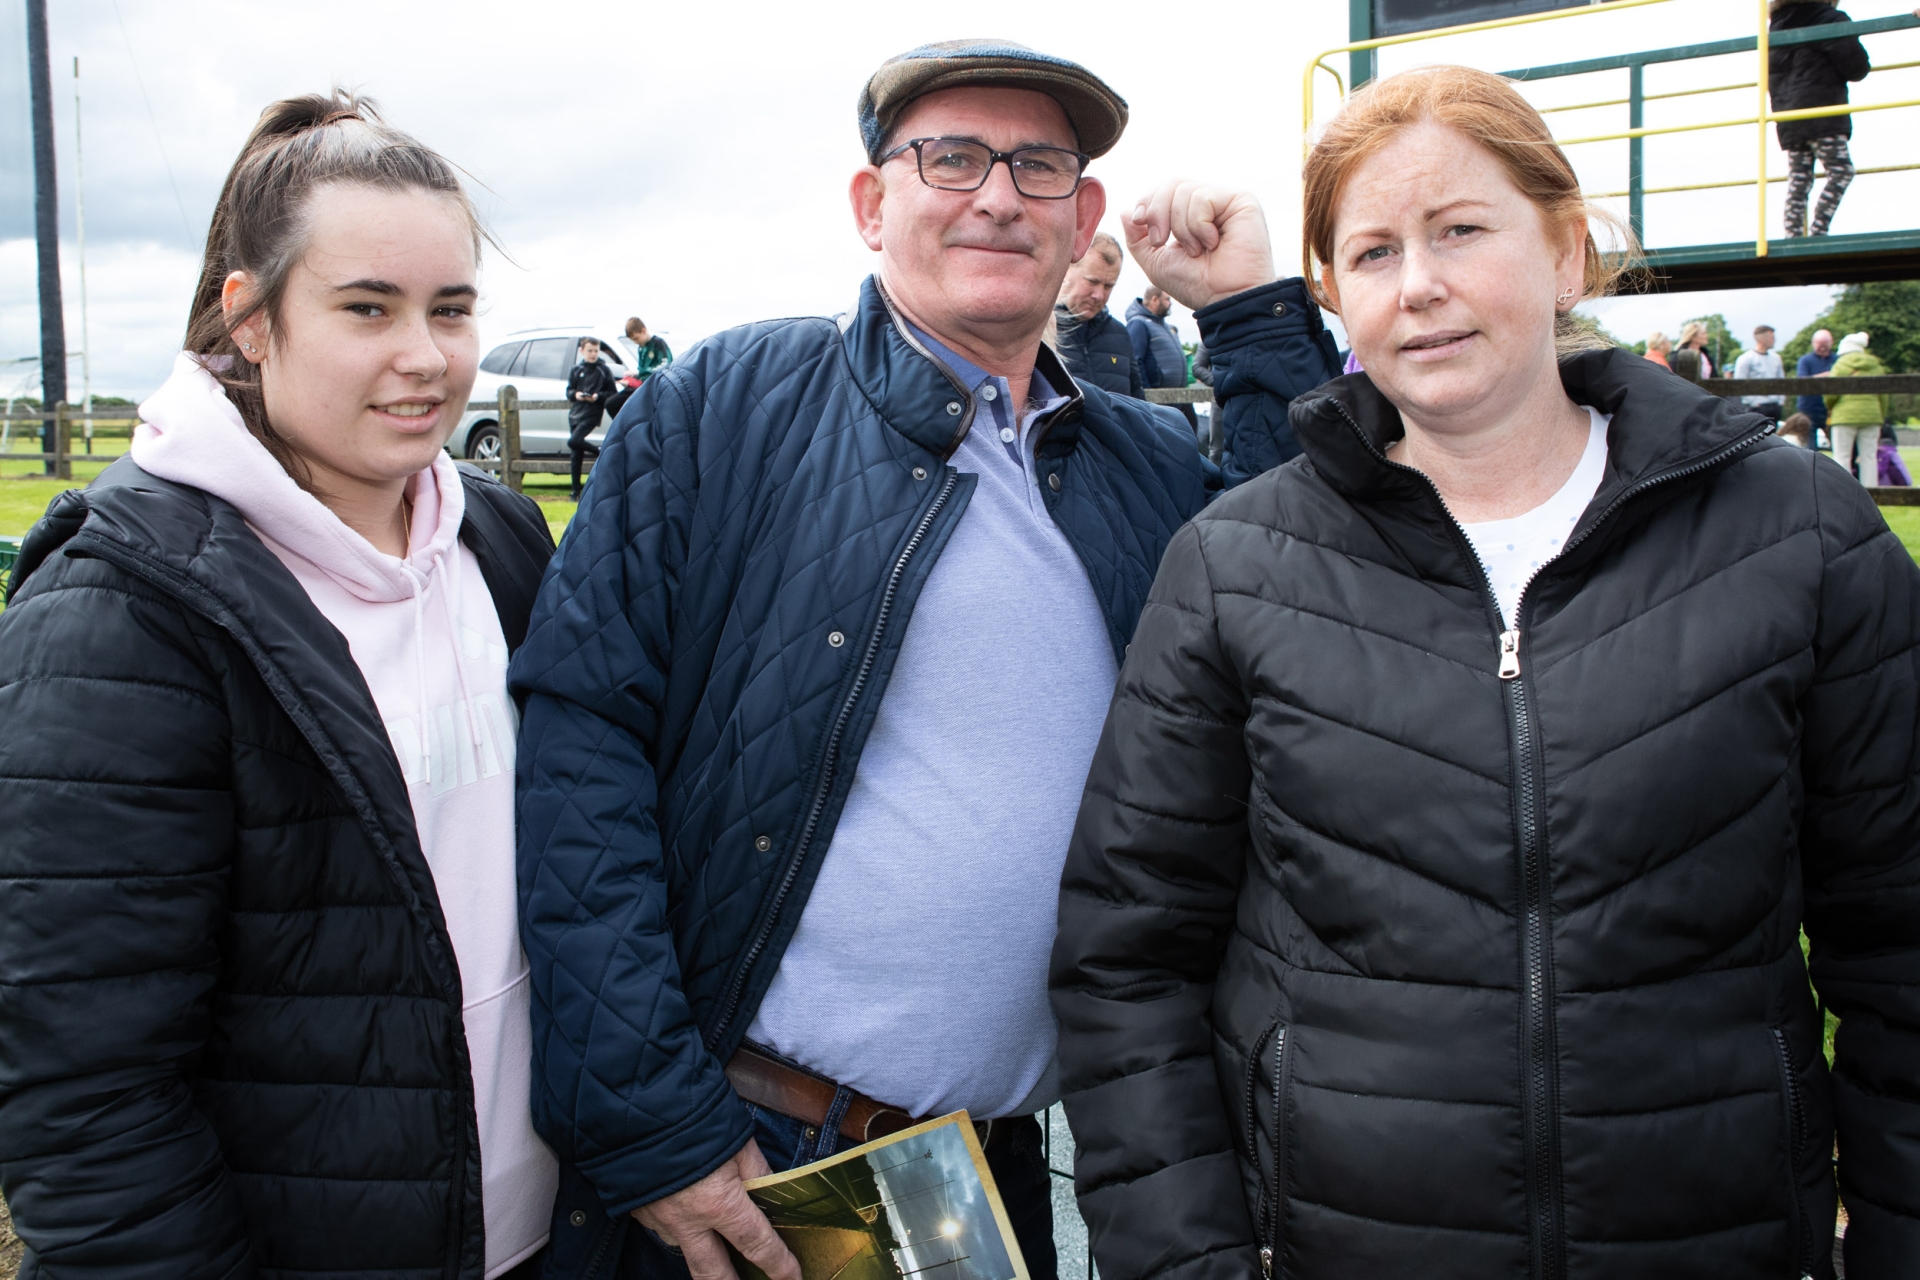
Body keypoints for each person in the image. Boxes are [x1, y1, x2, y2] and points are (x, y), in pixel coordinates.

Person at [1051, 65, 1920, 1280]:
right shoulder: (1234, 566)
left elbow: (1898, 951)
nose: (1420, 285)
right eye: (1374, 252)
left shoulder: (1800, 534)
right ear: (1334, 291)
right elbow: (1129, 959)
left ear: (1566, 252)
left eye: (1461, 230)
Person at [510, 38, 1340, 1280]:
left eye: (1039, 165)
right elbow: (583, 742)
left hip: (986, 1169)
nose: (998, 195)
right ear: (871, 203)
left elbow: (1313, 578)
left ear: (1083, 218)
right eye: (951, 158)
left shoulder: (1141, 466)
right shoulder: (726, 407)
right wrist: (653, 1119)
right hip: (773, 1158)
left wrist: (1251, 310)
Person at [0, 92, 558, 1278]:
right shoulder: (121, 612)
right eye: (367, 307)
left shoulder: (501, 541)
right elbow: (87, 1087)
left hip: (544, 1238)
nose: (426, 356)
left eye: (451, 308)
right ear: (251, 319)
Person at [1771, 0, 1870, 237]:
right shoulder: (1829, 19)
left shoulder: (1777, 24)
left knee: (1799, 180)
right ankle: (1818, 230)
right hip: (1822, 112)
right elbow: (1856, 68)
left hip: (1788, 114)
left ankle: (1793, 237)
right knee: (1841, 171)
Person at [1053, 230, 1142, 397]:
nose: (1099, 295)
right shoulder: (1038, 331)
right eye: (1092, 282)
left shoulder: (1120, 335)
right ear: (1066, 270)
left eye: (1108, 286)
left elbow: (1138, 402)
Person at [1127, 285, 1199, 432]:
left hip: (1177, 399)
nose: (1170, 303)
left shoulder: (1165, 326)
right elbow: (1136, 361)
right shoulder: (1139, 324)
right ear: (1155, 300)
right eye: (1167, 299)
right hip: (1158, 403)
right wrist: (1148, 397)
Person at [1825, 329, 1888, 484]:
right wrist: (1881, 414)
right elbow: (1883, 395)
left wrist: (1830, 406)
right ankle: (1871, 492)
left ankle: (1843, 491)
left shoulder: (1840, 365)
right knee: (1869, 457)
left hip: (1844, 416)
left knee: (1842, 456)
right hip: (1872, 415)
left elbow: (1830, 393)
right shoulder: (1875, 365)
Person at [565, 336, 618, 499]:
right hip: (576, 412)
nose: (593, 354)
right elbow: (569, 390)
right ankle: (575, 491)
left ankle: (599, 451)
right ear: (582, 351)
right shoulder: (576, 370)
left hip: (592, 413)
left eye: (596, 351)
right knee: (576, 454)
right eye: (590, 351)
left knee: (574, 440)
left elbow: (612, 393)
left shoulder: (604, 370)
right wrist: (576, 395)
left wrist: (597, 396)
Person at [1732, 322, 1786, 419]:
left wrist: (1781, 401)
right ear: (1762, 339)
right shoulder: (1746, 358)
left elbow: (1781, 380)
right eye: (1772, 337)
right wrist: (1753, 402)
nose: (1774, 340)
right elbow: (1739, 383)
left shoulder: (1776, 358)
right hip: (1756, 406)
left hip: (1775, 405)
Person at [1798, 327, 1837, 446]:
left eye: (1825, 344)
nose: (1822, 348)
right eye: (1820, 344)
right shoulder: (1805, 360)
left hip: (1831, 409)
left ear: (1831, 343)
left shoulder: (1837, 359)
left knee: (1837, 445)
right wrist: (1825, 376)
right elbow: (1801, 381)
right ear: (1813, 343)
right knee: (1810, 447)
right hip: (1809, 408)